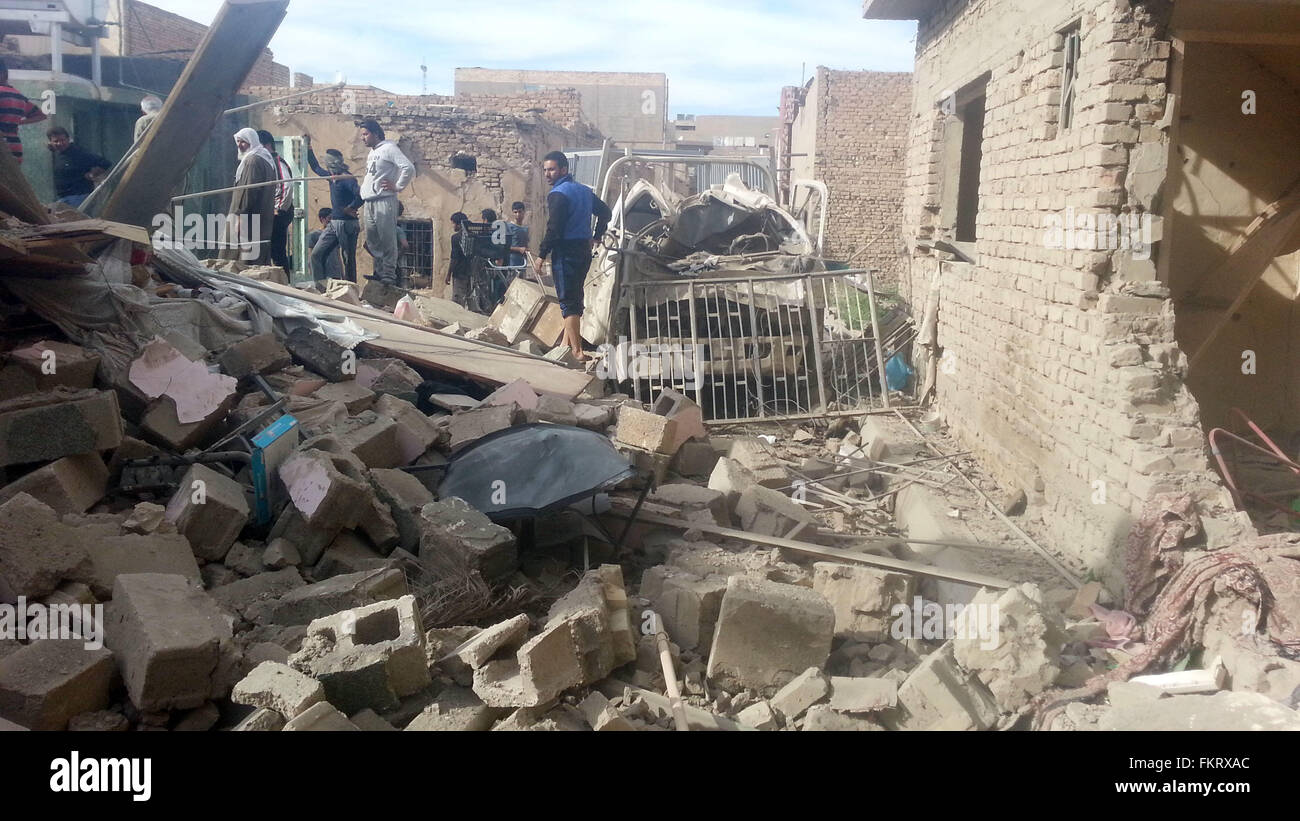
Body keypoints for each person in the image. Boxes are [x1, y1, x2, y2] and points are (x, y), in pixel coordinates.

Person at [534, 151, 611, 362]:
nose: (547, 174)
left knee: (568, 301)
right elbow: (605, 212)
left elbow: (554, 228)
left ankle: (577, 352)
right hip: (583, 252)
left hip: (566, 252)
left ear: (563, 170)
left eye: (551, 170)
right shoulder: (584, 191)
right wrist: (596, 235)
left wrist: (541, 255)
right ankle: (565, 345)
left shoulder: (558, 194)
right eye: (545, 170)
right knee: (576, 298)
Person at [358, 118, 414, 285]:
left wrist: (397, 186)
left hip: (384, 199)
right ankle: (379, 271)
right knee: (373, 239)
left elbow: (408, 167)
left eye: (366, 134)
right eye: (362, 134)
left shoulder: (389, 148)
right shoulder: (372, 152)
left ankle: (389, 275)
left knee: (387, 239)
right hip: (369, 200)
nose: (363, 138)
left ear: (375, 133)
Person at [303, 135, 363, 282]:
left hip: (347, 224)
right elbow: (316, 167)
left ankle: (350, 290)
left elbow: (361, 195)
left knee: (348, 259)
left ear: (331, 164)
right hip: (334, 223)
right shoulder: (332, 177)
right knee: (317, 254)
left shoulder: (346, 178)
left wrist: (351, 207)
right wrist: (308, 147)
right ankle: (321, 285)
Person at [221, 127, 275, 264]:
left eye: (243, 141)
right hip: (261, 219)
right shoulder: (266, 158)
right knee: (256, 257)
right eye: (238, 141)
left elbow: (248, 192)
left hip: (248, 220)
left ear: (252, 141)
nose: (239, 145)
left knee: (240, 259)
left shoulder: (253, 161)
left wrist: (240, 216)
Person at [258, 129, 295, 274]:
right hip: (271, 212)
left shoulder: (276, 161)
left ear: (267, 145)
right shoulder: (267, 162)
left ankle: (284, 284)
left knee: (277, 252)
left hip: (278, 214)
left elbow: (287, 184)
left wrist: (278, 209)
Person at [45, 126, 110, 208]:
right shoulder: (58, 152)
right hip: (63, 198)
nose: (60, 143)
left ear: (68, 139)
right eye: (56, 141)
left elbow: (105, 163)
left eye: (62, 140)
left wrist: (92, 174)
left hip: (79, 197)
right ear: (51, 142)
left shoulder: (78, 152)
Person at [0, 59, 46, 165]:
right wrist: (17, 122)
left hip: (2, 149)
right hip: (15, 148)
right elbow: (41, 115)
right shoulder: (19, 96)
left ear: (2, 74)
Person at [307, 208, 344, 282]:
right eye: (329, 218)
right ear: (322, 219)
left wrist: (342, 274)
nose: (331, 222)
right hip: (322, 272)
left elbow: (338, 255)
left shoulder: (335, 235)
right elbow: (312, 255)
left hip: (334, 272)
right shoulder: (314, 235)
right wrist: (312, 270)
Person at [445, 211, 471, 308]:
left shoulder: (456, 238)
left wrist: (448, 274)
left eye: (453, 224)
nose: (453, 226)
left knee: (458, 303)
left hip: (460, 273)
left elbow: (454, 258)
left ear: (459, 224)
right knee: (472, 301)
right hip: (472, 274)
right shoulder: (473, 236)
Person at [507, 201, 530, 268]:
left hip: (523, 261)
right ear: (512, 213)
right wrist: (519, 249)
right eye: (515, 212)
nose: (518, 214)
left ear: (524, 212)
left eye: (520, 212)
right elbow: (505, 247)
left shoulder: (526, 228)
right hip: (512, 262)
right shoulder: (509, 227)